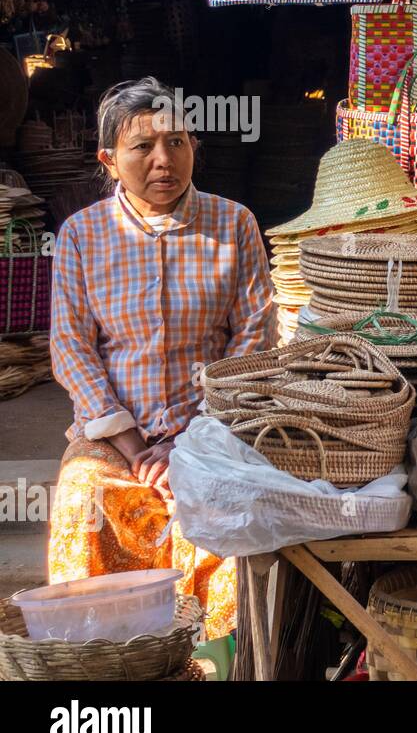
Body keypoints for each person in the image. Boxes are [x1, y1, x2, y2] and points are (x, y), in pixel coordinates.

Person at [47, 77, 275, 639]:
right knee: (85, 501)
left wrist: (189, 441)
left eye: (176, 142)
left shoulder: (235, 223)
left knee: (226, 515)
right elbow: (71, 347)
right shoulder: (81, 235)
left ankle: (211, 663)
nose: (162, 160)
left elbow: (255, 337)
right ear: (109, 158)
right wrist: (132, 444)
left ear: (194, 145)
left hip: (213, 428)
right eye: (141, 147)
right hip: (111, 436)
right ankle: (99, 662)